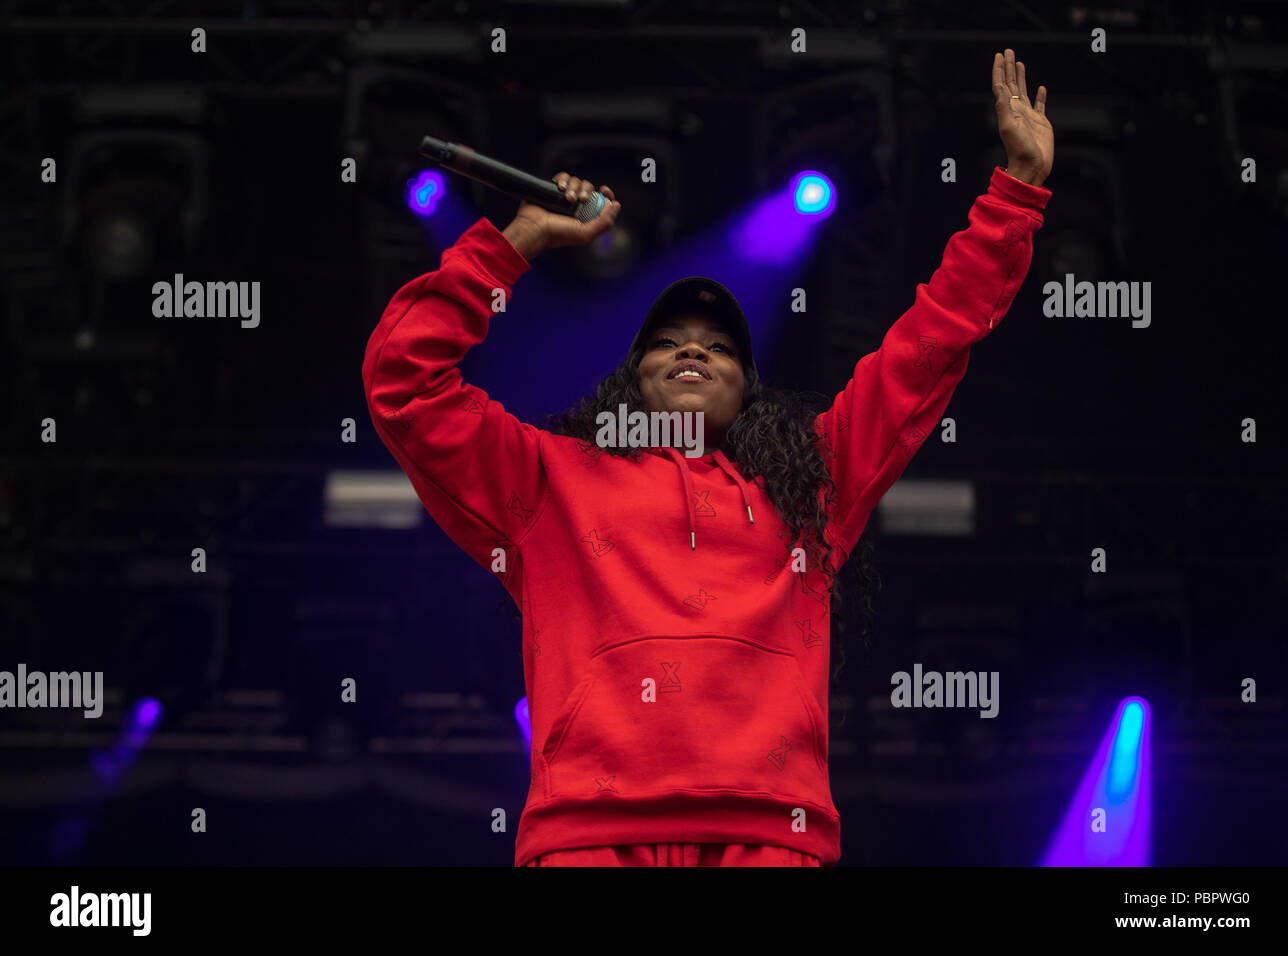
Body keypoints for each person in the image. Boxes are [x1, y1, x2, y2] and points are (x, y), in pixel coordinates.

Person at [363, 49, 1054, 867]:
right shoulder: (550, 481)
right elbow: (404, 382)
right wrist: (513, 244)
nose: (694, 351)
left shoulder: (812, 485)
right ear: (631, 380)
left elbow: (924, 352)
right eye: (669, 343)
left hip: (769, 834)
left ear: (746, 390)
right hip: (591, 834)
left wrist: (1014, 190)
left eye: (720, 348)